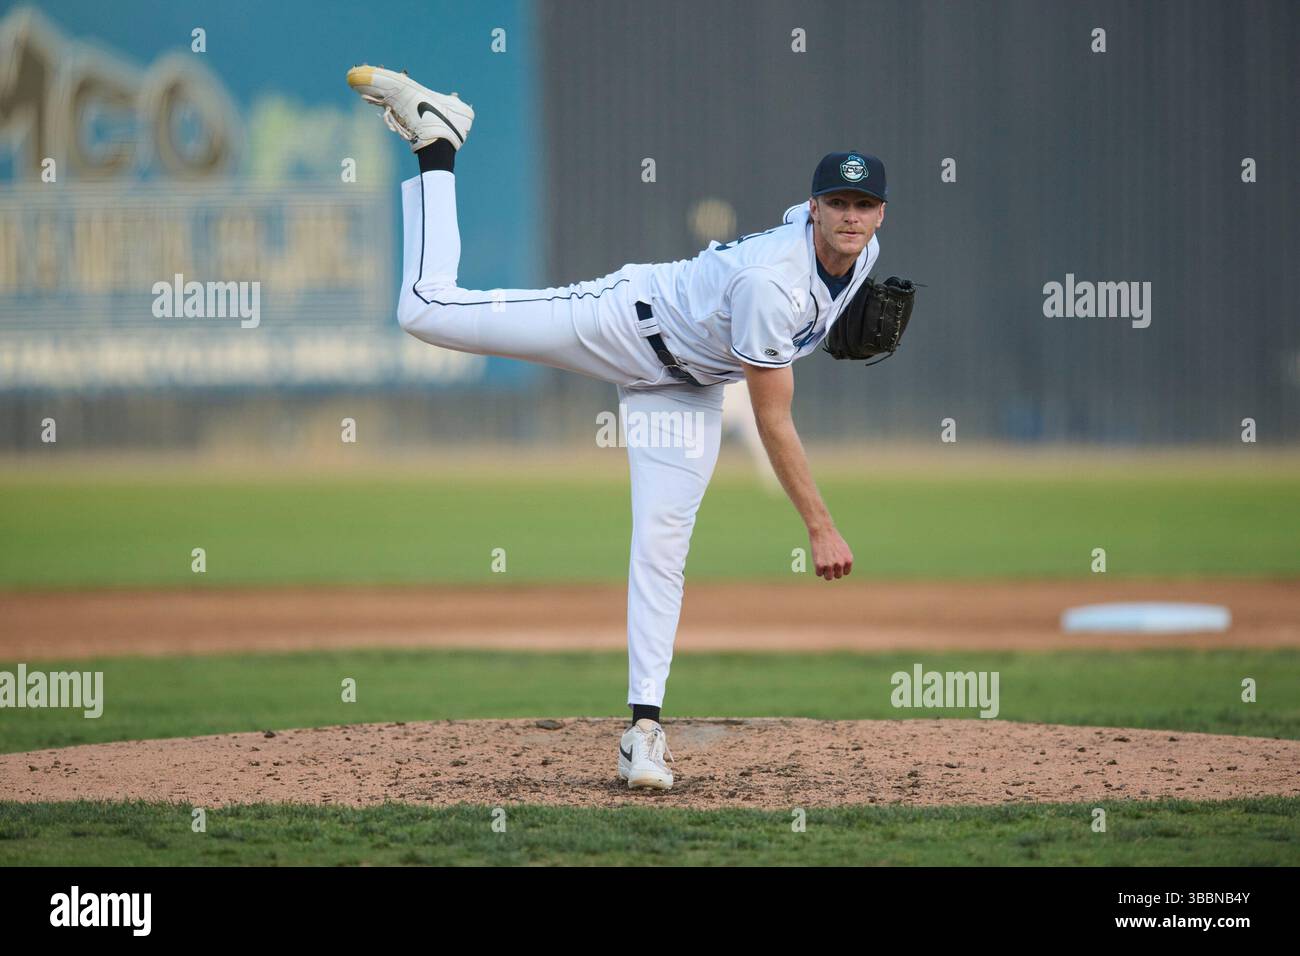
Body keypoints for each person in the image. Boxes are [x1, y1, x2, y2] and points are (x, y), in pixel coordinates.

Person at [346, 65, 886, 790]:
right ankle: (438, 141)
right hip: (626, 322)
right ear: (814, 208)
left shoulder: (862, 253)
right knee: (425, 310)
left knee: (661, 548)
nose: (852, 216)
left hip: (689, 389)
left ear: (880, 213)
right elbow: (773, 421)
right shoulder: (771, 284)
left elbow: (812, 307)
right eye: (838, 202)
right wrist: (820, 526)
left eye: (866, 203)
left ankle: (643, 732)